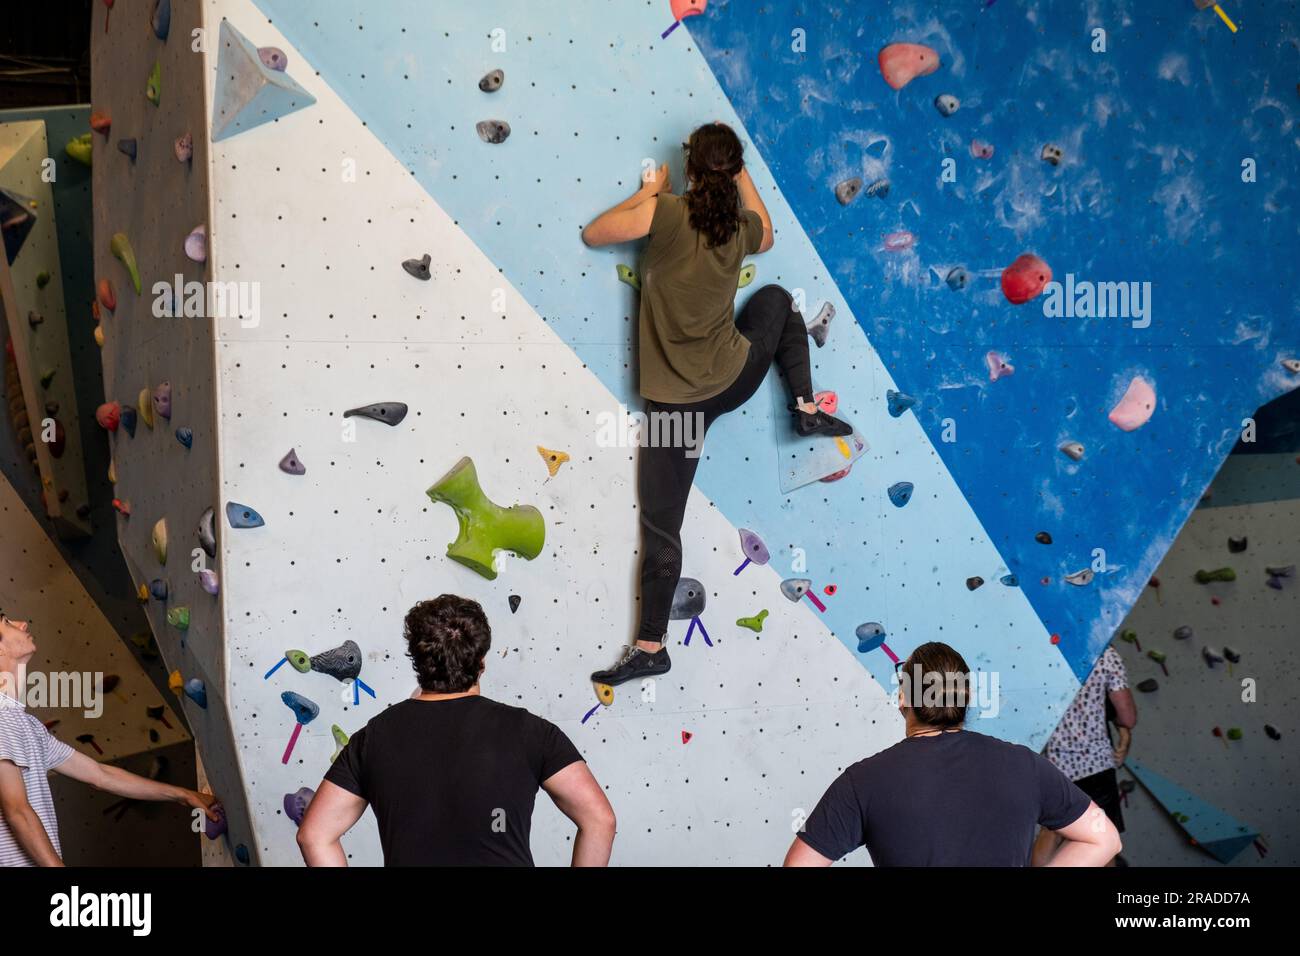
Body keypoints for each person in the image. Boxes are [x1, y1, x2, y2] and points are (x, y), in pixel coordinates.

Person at [582, 122, 851, 687]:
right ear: (731, 173)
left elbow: (595, 234)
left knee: (661, 527)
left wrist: (650, 190)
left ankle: (651, 645)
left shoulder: (666, 214)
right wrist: (737, 170)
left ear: (688, 165)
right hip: (732, 378)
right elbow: (770, 231)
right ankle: (804, 407)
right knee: (776, 300)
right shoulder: (740, 228)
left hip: (675, 408)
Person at [298, 595, 616, 866]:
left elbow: (314, 836)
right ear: (481, 662)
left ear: (418, 661)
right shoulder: (530, 731)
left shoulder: (374, 737)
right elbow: (600, 819)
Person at [784, 641, 1122, 867]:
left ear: (904, 698)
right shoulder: (1024, 765)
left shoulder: (863, 781)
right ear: (965, 699)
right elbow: (1104, 839)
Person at [0, 612, 221, 867]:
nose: (22, 623)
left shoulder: (26, 724)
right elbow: (16, 810)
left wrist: (183, 795)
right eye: (6, 623)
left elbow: (100, 775)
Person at [1032, 644, 1136, 866]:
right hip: (1095, 763)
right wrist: (1122, 728)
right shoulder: (1105, 654)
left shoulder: (1040, 651)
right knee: (1101, 843)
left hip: (1055, 765)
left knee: (1050, 833)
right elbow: (1127, 717)